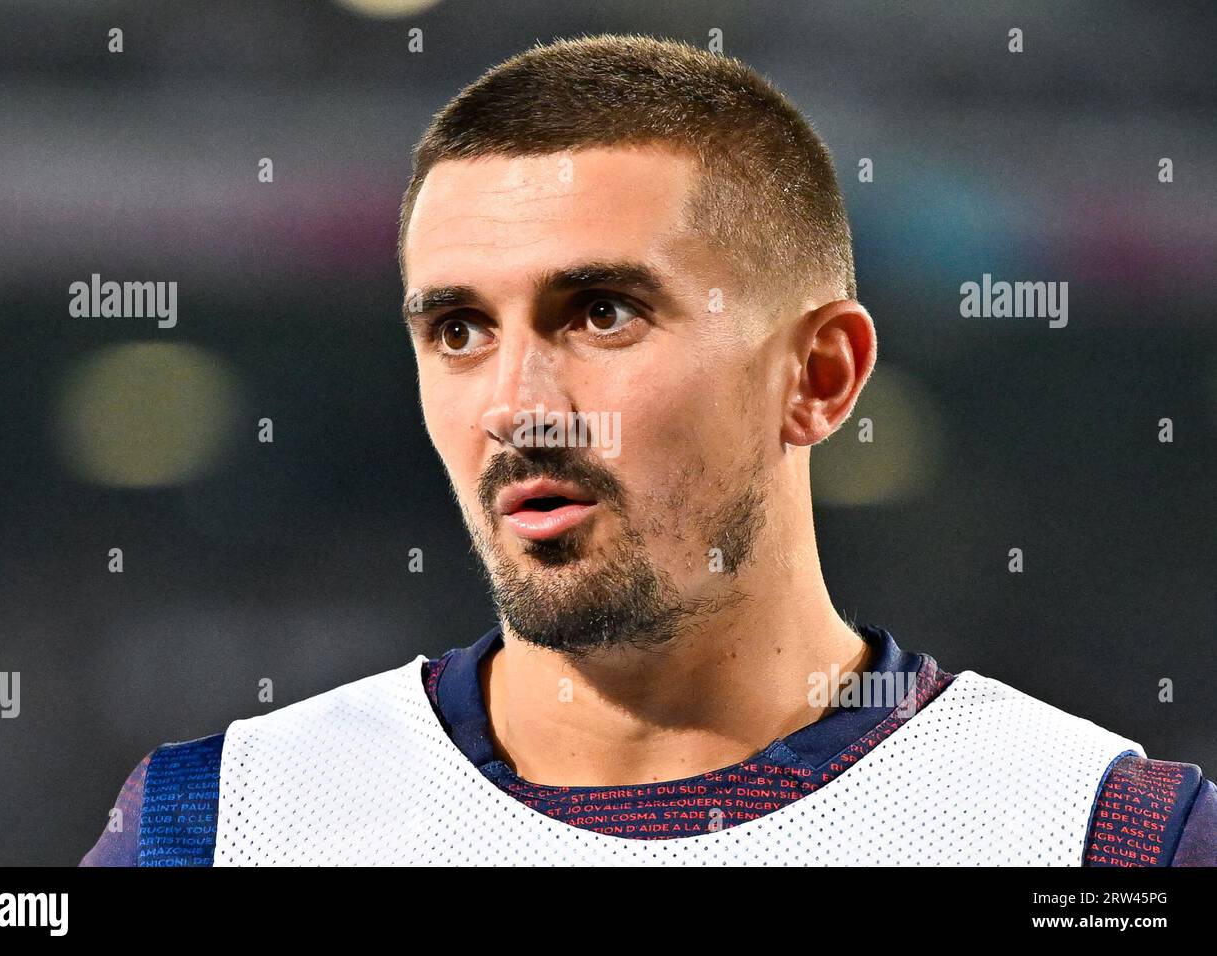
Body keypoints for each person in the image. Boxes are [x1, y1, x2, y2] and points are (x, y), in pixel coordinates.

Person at [82, 33, 1215, 866]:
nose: (519, 405)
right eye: (459, 329)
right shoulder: (220, 826)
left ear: (816, 376)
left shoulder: (1098, 841)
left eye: (601, 313)